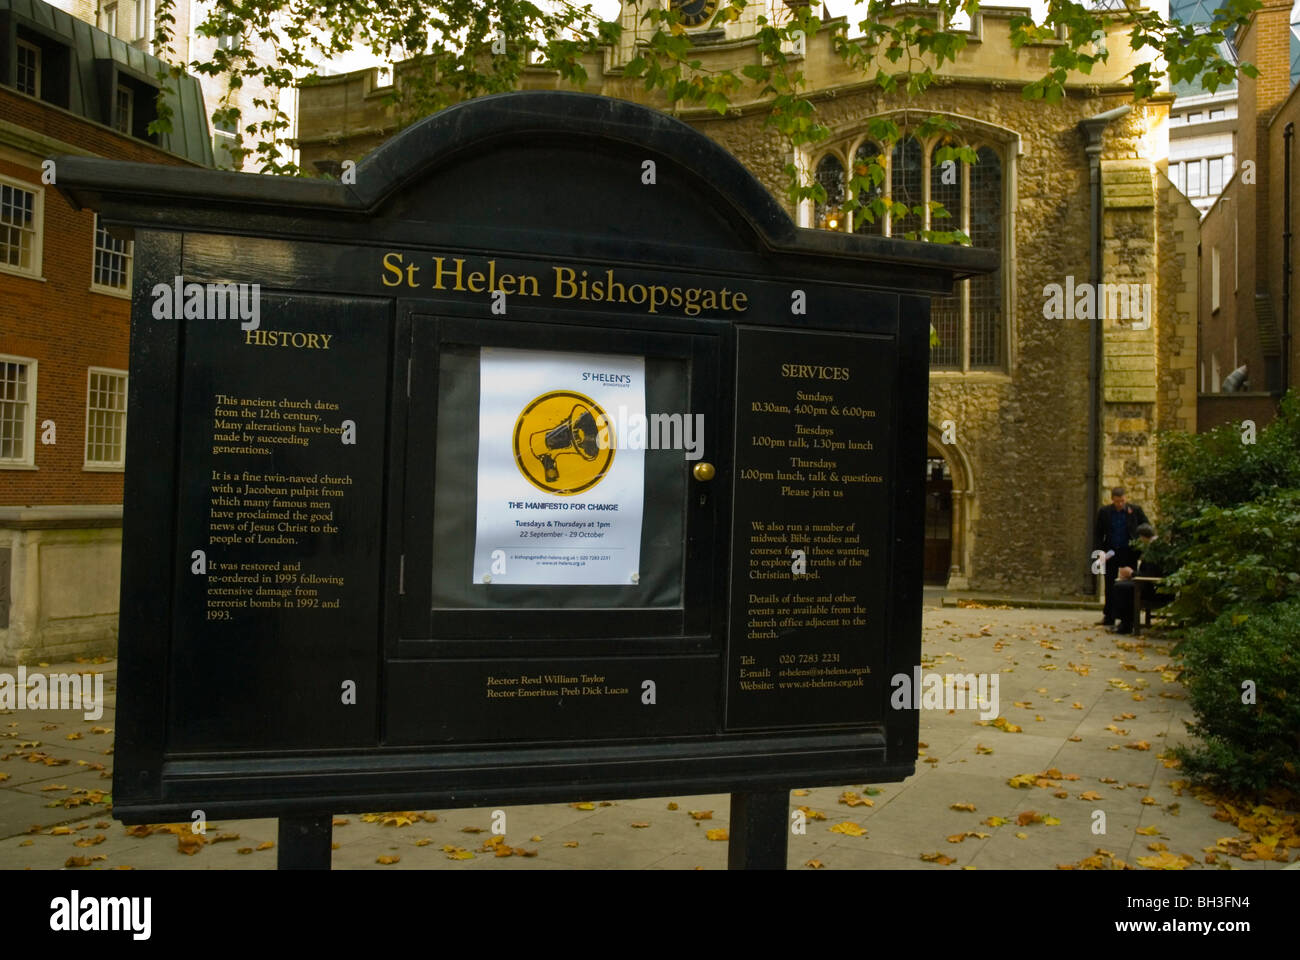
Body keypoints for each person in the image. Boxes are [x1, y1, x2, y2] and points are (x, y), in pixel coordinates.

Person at [1092, 486, 1149, 626]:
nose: (1120, 504)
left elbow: (1146, 526)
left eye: (1122, 501)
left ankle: (1128, 617)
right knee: (1110, 584)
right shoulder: (1105, 512)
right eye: (1117, 501)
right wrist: (1100, 552)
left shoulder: (1135, 511)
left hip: (1129, 552)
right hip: (1111, 552)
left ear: (1126, 498)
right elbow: (1098, 534)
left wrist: (1139, 545)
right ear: (1112, 499)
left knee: (1128, 583)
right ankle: (1109, 616)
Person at [1110, 523, 1169, 634]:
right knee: (1122, 585)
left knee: (1121, 587)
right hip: (1152, 585)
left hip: (1154, 589)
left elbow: (1150, 574)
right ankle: (1125, 622)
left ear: (1142, 537)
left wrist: (1131, 573)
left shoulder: (1155, 548)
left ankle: (1126, 624)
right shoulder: (1155, 546)